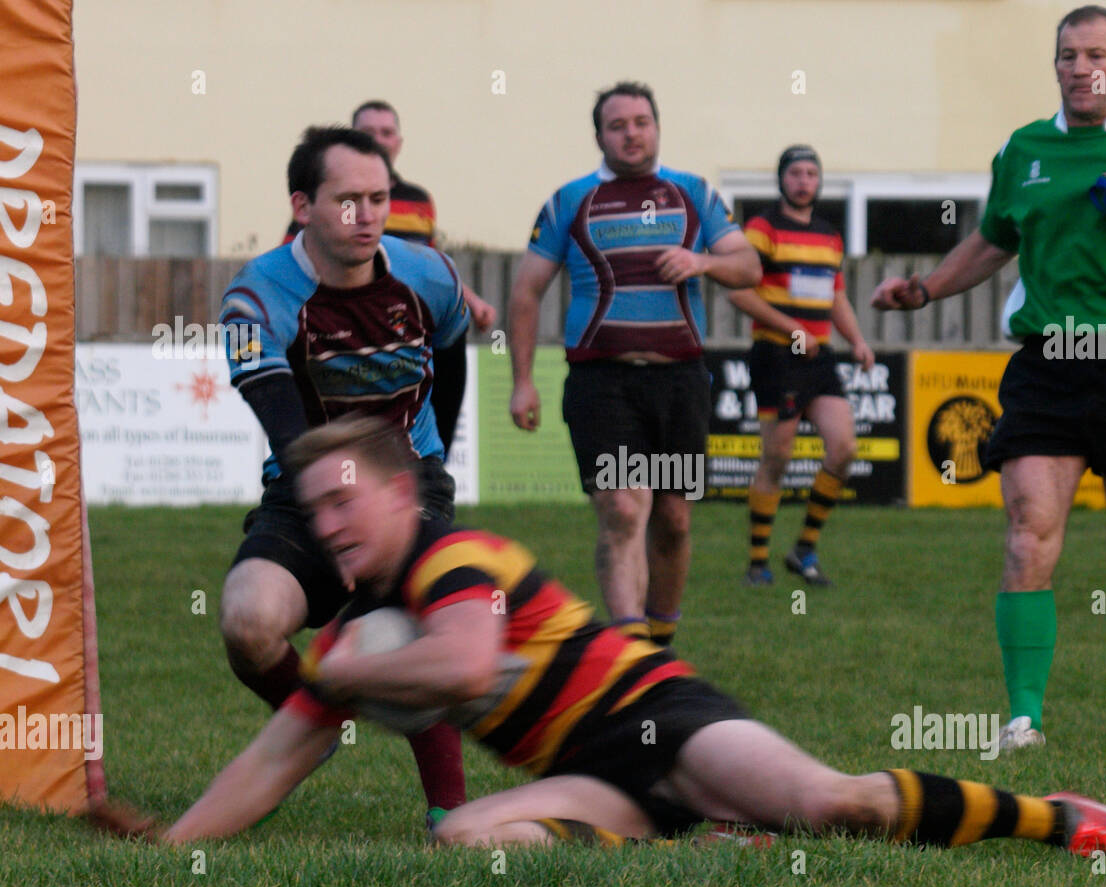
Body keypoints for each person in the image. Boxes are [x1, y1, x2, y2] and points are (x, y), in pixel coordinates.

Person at [128, 416, 1106, 860]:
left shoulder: (459, 559)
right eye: (311, 512)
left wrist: (343, 669)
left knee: (835, 803)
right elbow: (272, 756)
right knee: (462, 838)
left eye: (343, 500)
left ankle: (1067, 818)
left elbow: (460, 661)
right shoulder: (359, 629)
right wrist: (169, 849)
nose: (327, 525)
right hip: (598, 778)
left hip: (659, 718)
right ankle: (712, 838)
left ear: (404, 492)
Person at [870, 5, 1106, 751]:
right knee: (1027, 536)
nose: (1081, 68)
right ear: (1055, 67)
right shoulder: (1025, 149)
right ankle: (1024, 720)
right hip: (1049, 364)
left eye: (1096, 55)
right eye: (1068, 56)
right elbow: (992, 241)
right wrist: (924, 289)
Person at [218, 125, 471, 817]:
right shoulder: (254, 299)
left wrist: (432, 462)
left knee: (411, 620)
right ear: (303, 206)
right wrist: (342, 534)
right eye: (348, 200)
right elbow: (290, 436)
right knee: (247, 619)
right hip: (304, 488)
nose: (367, 216)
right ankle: (316, 723)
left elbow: (449, 357)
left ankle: (448, 812)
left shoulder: (430, 275)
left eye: (379, 199)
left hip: (405, 483)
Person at [507, 81, 761, 647]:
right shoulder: (570, 200)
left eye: (641, 121)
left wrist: (702, 261)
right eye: (617, 125)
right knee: (623, 509)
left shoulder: (694, 193)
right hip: (603, 382)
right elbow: (525, 293)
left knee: (673, 519)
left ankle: (660, 644)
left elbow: (748, 268)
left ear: (657, 126)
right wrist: (522, 382)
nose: (631, 133)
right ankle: (630, 652)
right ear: (599, 135)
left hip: (679, 382)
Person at [284, 100, 496, 453]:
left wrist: (470, 300)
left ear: (399, 142)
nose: (379, 140)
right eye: (368, 134)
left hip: (408, 328)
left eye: (387, 132)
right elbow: (294, 258)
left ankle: (428, 473)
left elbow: (427, 261)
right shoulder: (328, 195)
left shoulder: (418, 200)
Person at [728, 146, 874, 587]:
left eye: (812, 173)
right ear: (781, 179)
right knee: (777, 456)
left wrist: (858, 340)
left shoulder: (829, 235)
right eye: (796, 173)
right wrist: (792, 329)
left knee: (844, 448)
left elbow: (836, 297)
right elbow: (738, 291)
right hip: (776, 355)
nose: (804, 180)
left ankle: (803, 550)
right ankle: (757, 562)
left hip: (819, 357)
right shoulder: (762, 228)